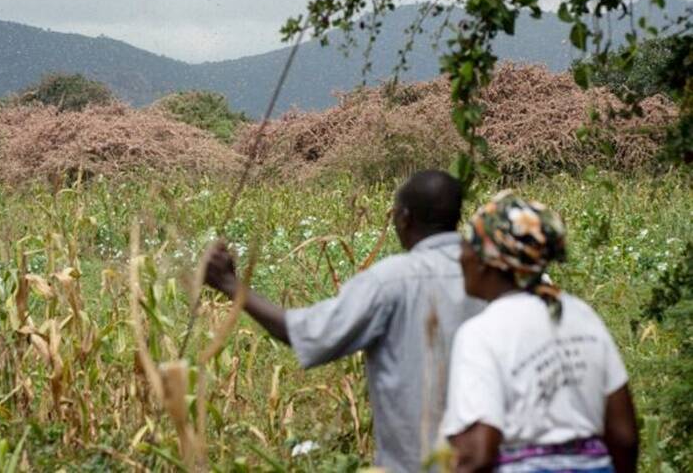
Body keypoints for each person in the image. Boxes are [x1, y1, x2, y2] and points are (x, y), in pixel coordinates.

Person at [204, 169, 486, 471]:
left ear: (404, 217)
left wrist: (231, 286)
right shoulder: (494, 274)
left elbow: (310, 334)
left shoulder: (390, 280)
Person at [441, 191, 639, 473]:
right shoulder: (582, 315)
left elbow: (478, 454)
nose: (460, 258)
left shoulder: (481, 333)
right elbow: (624, 436)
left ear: (490, 261)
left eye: (468, 247)